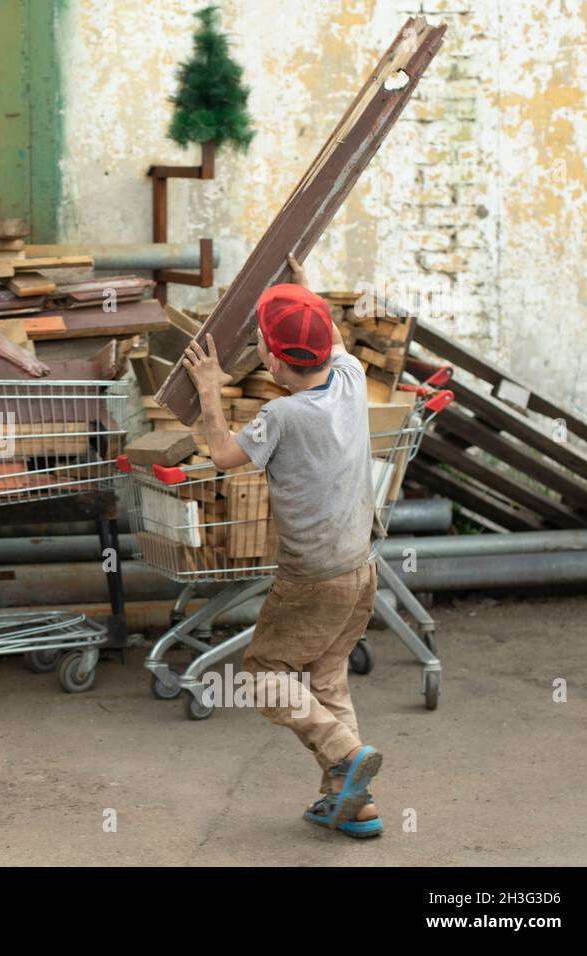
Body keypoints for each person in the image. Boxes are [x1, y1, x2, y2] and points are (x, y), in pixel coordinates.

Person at [180, 255, 383, 838]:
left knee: (263, 676)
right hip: (361, 569)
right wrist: (304, 296)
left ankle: (345, 754)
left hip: (311, 579)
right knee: (327, 679)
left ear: (269, 359)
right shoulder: (349, 382)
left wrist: (209, 392)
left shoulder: (282, 414)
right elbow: (333, 337)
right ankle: (353, 802)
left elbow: (223, 456)